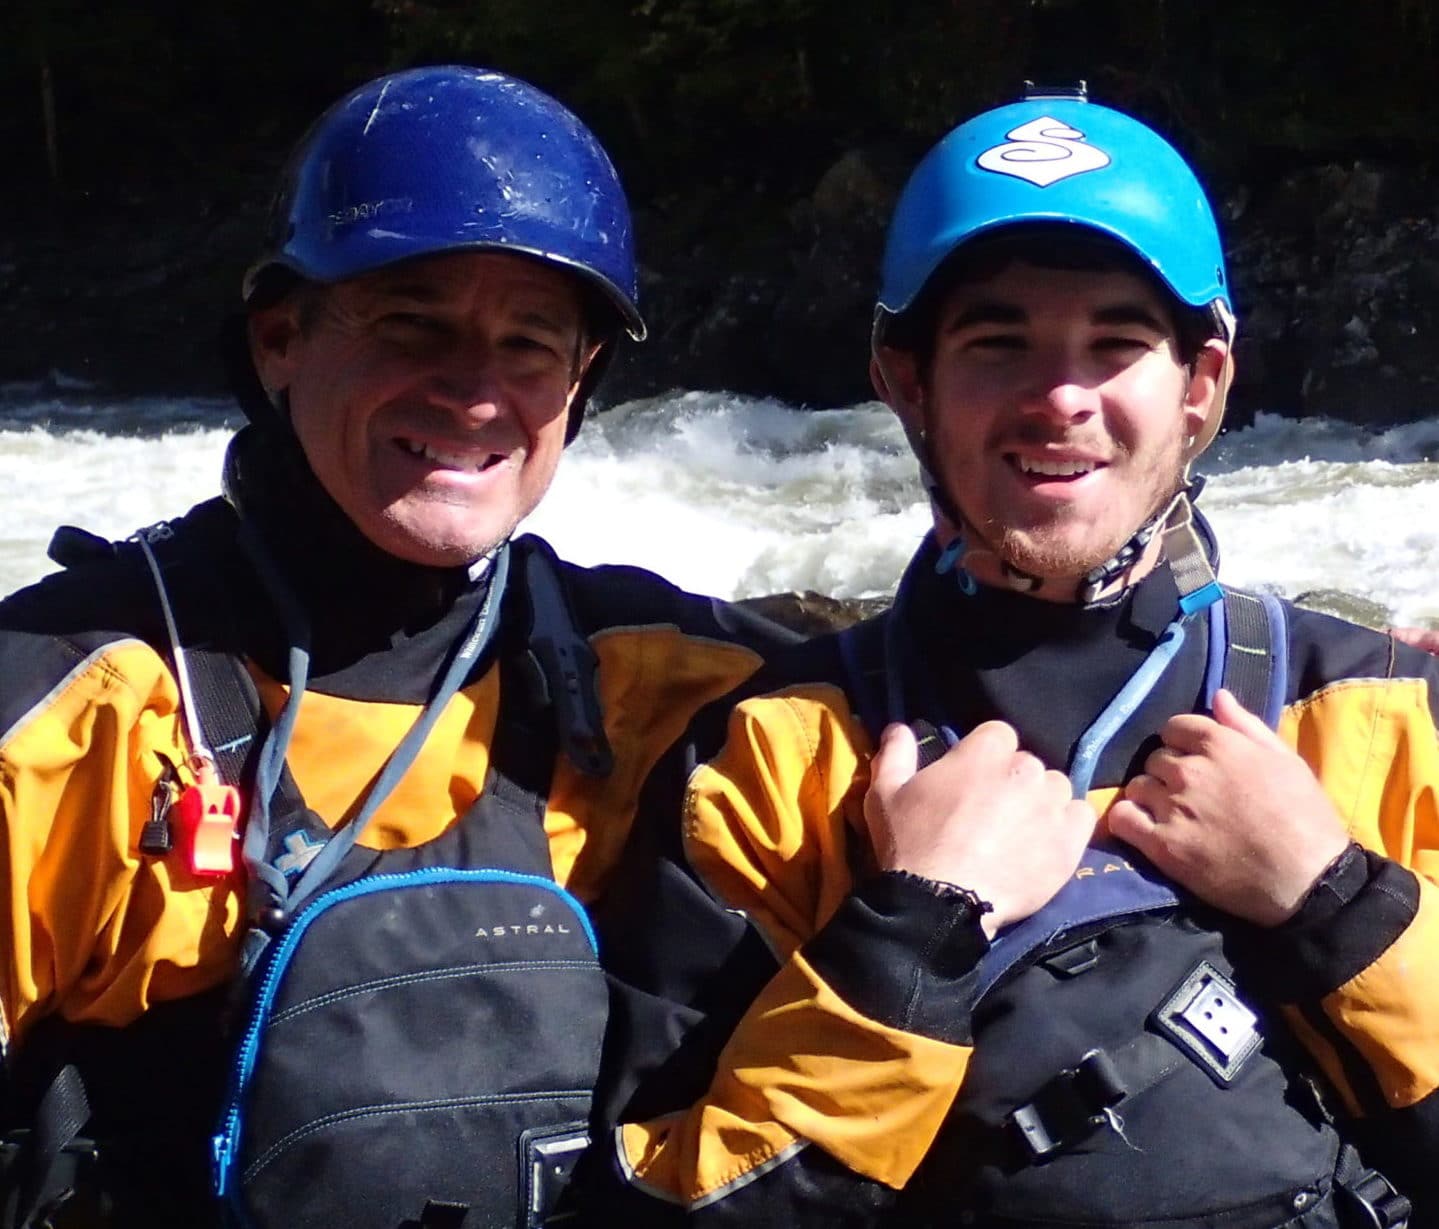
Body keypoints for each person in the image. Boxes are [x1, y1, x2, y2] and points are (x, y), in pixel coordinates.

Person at [586, 89, 1439, 1227]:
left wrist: (1335, 899)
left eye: (1115, 343)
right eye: (997, 343)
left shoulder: (1379, 715)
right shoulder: (768, 761)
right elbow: (655, 1200)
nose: (1058, 398)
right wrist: (907, 934)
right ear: (905, 380)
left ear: (1199, 383)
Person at [0, 65, 793, 1229]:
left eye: (530, 344)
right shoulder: (80, 697)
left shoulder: (665, 680)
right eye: (411, 321)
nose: (474, 390)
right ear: (279, 338)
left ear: (577, 389)